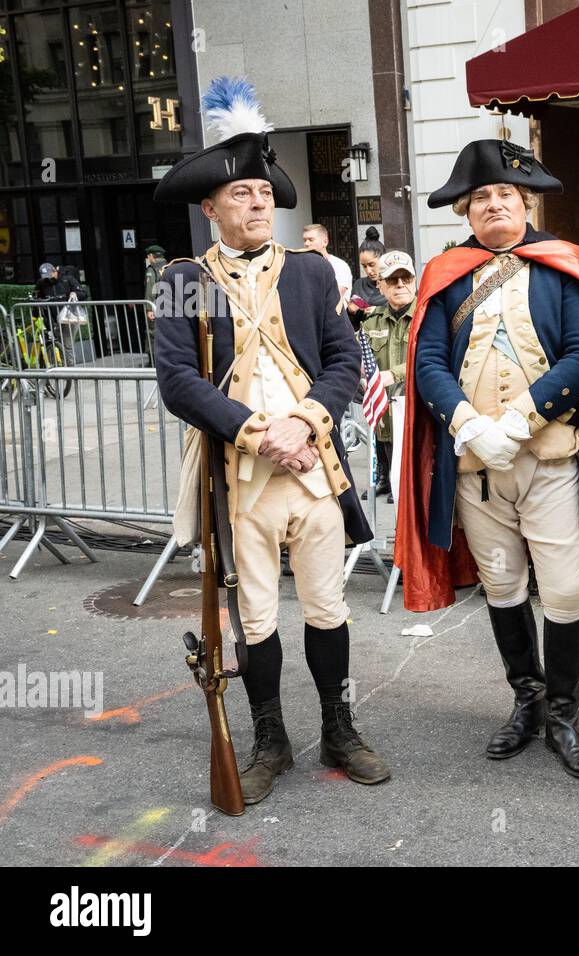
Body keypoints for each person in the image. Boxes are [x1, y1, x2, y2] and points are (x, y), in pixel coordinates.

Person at [152, 76, 388, 803]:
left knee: (326, 608)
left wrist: (303, 422)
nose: (255, 204)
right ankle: (270, 739)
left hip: (314, 467)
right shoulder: (183, 279)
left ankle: (339, 728)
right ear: (211, 207)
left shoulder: (313, 272)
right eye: (240, 195)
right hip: (240, 472)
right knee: (254, 618)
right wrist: (258, 433)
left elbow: (347, 360)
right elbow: (177, 381)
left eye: (262, 192)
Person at [398, 138, 579, 782]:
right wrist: (470, 422)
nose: (494, 205)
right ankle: (526, 700)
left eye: (505, 194)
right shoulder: (445, 275)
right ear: (466, 213)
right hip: (477, 468)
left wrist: (518, 419)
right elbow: (425, 364)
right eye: (481, 198)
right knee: (503, 588)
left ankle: (564, 712)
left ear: (525, 201)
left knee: (562, 590)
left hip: (550, 462)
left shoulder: (564, 266)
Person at [358, 250, 417, 502]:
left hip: (416, 409)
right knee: (386, 443)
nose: (400, 285)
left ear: (414, 281)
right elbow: (359, 357)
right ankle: (388, 479)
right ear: (380, 285)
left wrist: (393, 374)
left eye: (406, 278)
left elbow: (428, 358)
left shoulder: (426, 316)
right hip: (385, 411)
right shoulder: (371, 322)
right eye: (392, 280)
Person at [302, 223, 353, 304]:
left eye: (311, 240)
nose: (306, 244)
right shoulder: (302, 266)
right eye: (304, 240)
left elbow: (335, 296)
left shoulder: (339, 266)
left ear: (325, 242)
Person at [348, 226, 387, 327]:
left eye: (372, 264)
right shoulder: (359, 285)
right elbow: (353, 325)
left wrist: (377, 311)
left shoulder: (395, 283)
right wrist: (351, 312)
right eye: (364, 266)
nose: (368, 271)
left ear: (383, 259)